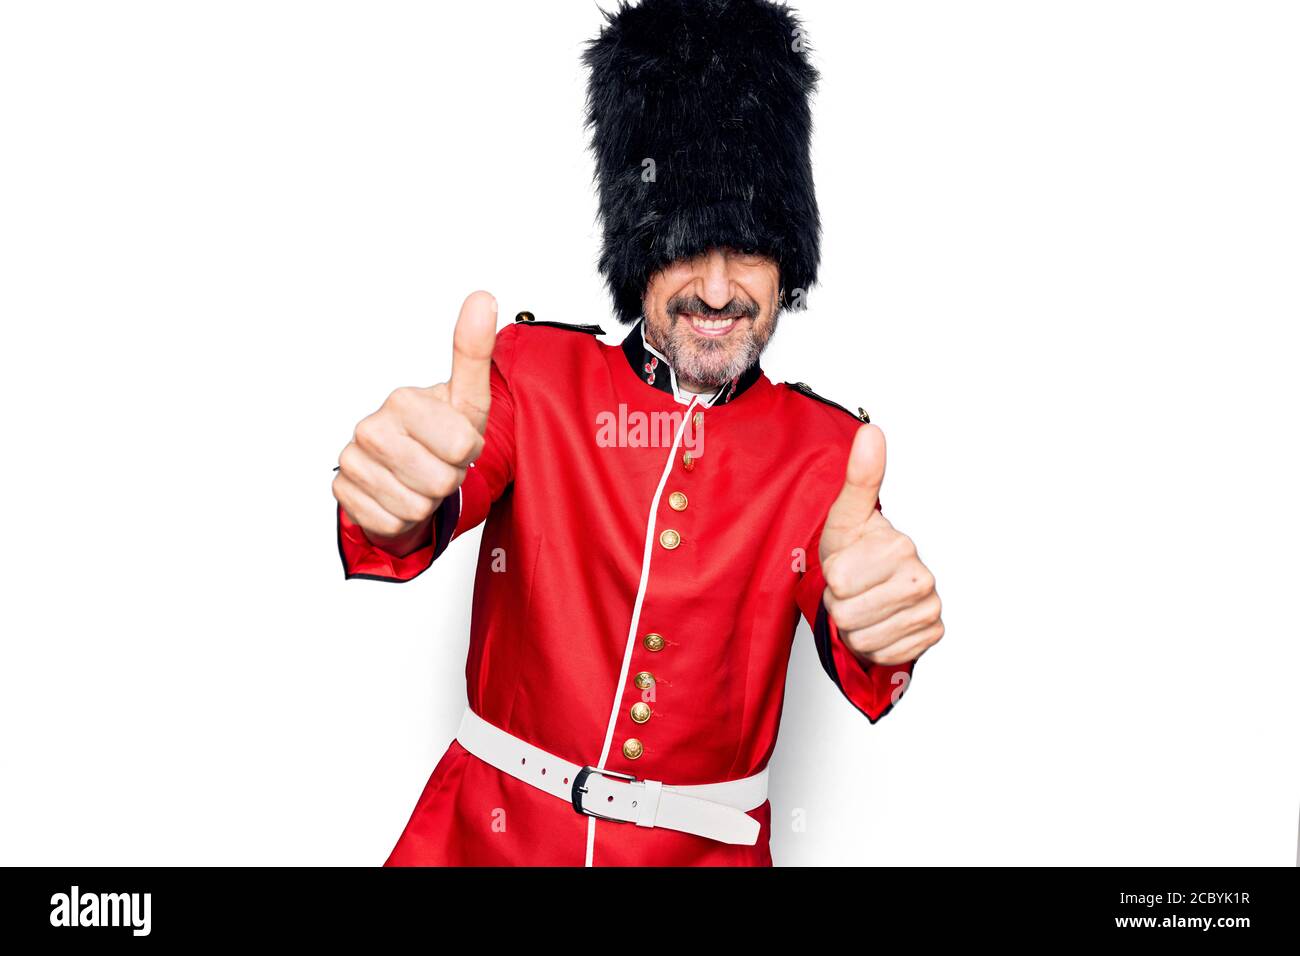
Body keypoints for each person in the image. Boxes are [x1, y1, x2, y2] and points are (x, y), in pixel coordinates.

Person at [332, 0, 943, 866]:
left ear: (789, 262)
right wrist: (392, 493)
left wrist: (880, 632)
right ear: (637, 250)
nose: (721, 290)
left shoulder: (826, 455)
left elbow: (863, 619)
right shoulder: (531, 375)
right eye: (687, 248)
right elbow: (422, 496)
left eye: (751, 251)